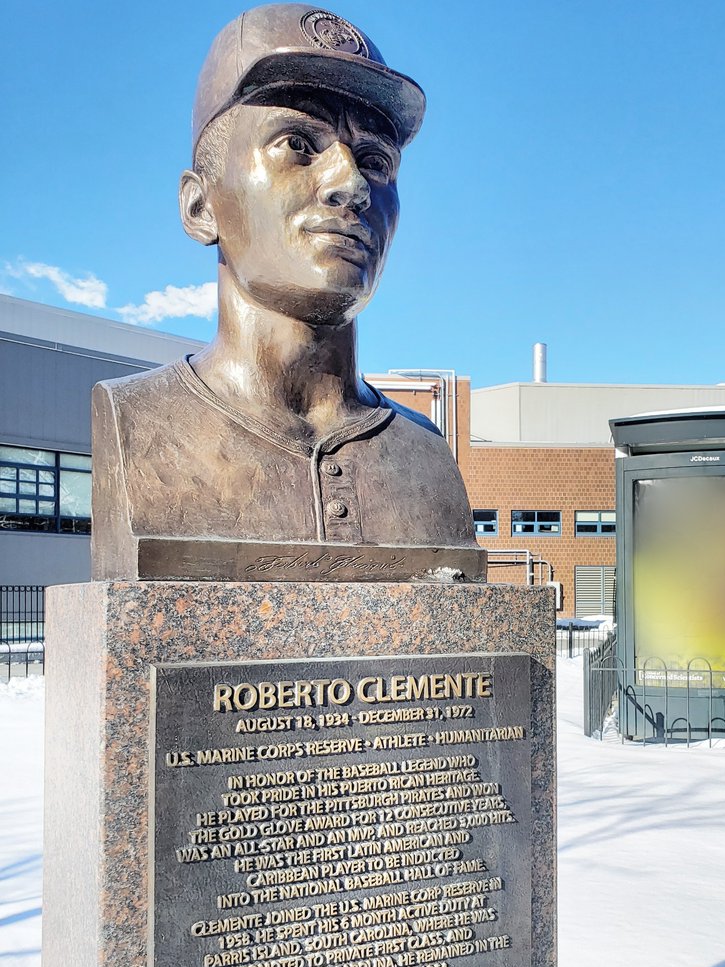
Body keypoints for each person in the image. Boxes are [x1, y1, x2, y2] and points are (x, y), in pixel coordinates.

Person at [92, 4, 478, 580]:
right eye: (298, 143)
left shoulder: (426, 454)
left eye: (375, 160)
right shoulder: (140, 422)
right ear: (200, 207)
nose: (352, 186)